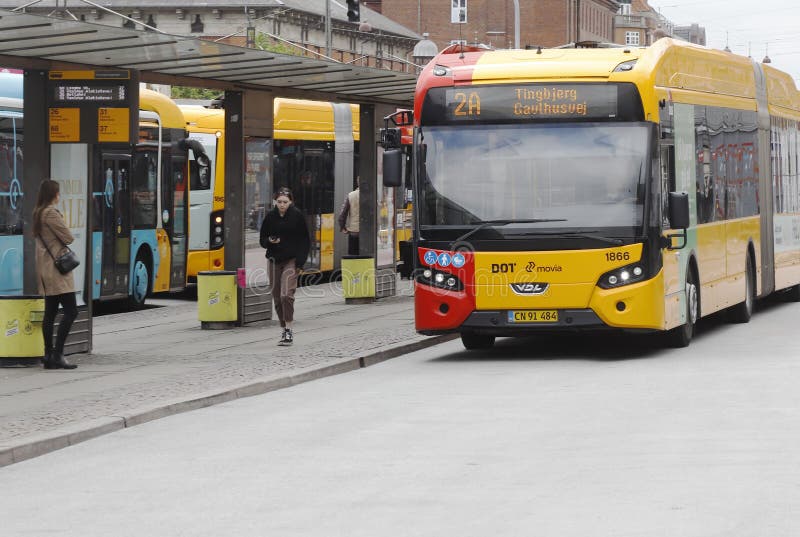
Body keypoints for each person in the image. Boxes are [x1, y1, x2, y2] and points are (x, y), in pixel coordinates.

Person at [33, 179, 78, 370]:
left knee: (50, 313)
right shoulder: (51, 213)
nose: (60, 196)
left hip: (46, 269)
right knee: (71, 311)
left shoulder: (38, 213)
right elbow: (68, 237)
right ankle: (58, 354)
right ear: (53, 194)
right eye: (58, 193)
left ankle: (48, 355)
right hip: (58, 271)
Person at [259, 187, 310, 346]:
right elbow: (262, 239)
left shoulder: (297, 216)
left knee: (286, 295)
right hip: (274, 259)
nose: (282, 205)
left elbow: (305, 241)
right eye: (279, 202)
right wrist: (269, 241)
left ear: (291, 202)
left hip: (291, 260)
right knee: (276, 297)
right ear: (275, 201)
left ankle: (288, 329)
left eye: (285, 202)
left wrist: (300, 263)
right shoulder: (270, 217)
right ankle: (283, 328)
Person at [338, 178, 360, 255]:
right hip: (368, 234)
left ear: (358, 183)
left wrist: (342, 227)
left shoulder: (350, 195)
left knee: (353, 256)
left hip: (354, 232)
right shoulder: (371, 195)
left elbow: (342, 214)